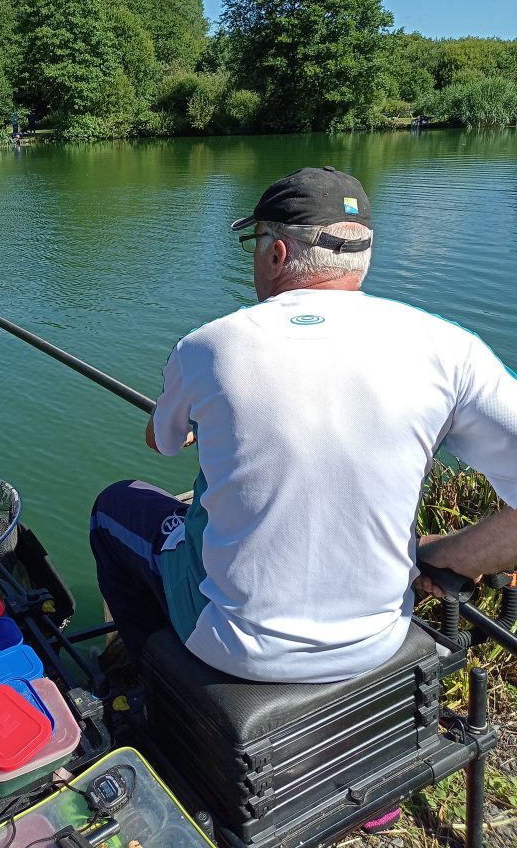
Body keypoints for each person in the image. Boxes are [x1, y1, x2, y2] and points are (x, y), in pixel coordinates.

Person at [90, 166, 517, 685]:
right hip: (378, 639)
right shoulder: (450, 349)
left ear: (277, 252)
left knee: (115, 508)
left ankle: (150, 682)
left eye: (253, 243)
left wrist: (191, 424)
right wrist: (450, 554)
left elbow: (160, 442)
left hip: (235, 645)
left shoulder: (207, 346)